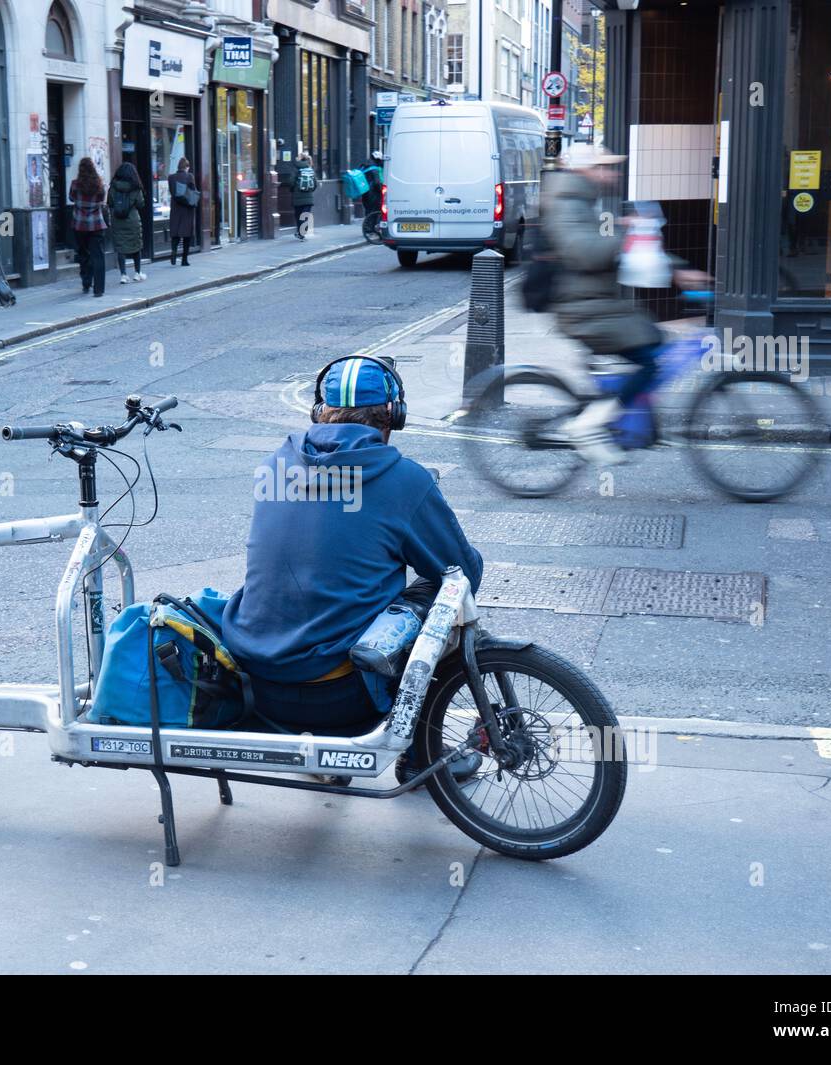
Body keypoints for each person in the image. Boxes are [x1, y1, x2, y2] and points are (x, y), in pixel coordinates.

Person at [222, 356, 483, 784]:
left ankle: (330, 757)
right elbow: (462, 571)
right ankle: (421, 755)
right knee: (443, 597)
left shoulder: (275, 464)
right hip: (341, 699)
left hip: (259, 684)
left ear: (319, 411)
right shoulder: (403, 480)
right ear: (393, 416)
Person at [541, 147, 709, 465]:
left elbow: (619, 251)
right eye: (604, 167)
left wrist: (676, 269)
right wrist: (626, 236)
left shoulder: (583, 201)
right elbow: (582, 252)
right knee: (649, 362)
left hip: (598, 304)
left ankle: (630, 423)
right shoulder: (566, 202)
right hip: (582, 310)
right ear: (584, 170)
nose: (612, 173)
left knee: (654, 342)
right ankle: (588, 426)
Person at [69, 157, 107, 296]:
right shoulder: (99, 185)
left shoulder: (75, 184)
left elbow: (71, 198)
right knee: (98, 256)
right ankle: (99, 290)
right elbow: (102, 199)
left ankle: (86, 282)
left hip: (79, 224)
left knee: (83, 254)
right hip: (96, 224)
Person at [108, 162, 146, 283]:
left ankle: (123, 275)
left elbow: (109, 202)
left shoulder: (113, 186)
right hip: (132, 219)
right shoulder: (135, 187)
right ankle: (137, 273)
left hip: (117, 220)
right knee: (136, 246)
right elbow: (141, 204)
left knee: (121, 247)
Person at [168, 157, 198, 266]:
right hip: (187, 210)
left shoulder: (171, 178)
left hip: (176, 209)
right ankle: (184, 260)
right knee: (186, 235)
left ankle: (174, 251)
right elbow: (193, 192)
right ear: (186, 167)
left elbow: (172, 192)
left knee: (175, 234)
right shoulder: (190, 176)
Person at [291, 152, 317, 239]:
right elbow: (315, 184)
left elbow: (291, 182)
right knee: (305, 215)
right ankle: (303, 231)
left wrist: (292, 190)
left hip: (297, 197)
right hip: (309, 198)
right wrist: (310, 190)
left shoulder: (296, 169)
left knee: (298, 215)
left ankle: (300, 232)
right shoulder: (310, 169)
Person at [361, 149, 384, 216]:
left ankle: (368, 224)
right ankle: (371, 225)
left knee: (368, 210)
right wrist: (381, 190)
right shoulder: (374, 169)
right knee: (374, 211)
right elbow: (377, 182)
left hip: (365, 192)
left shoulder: (365, 166)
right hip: (373, 193)